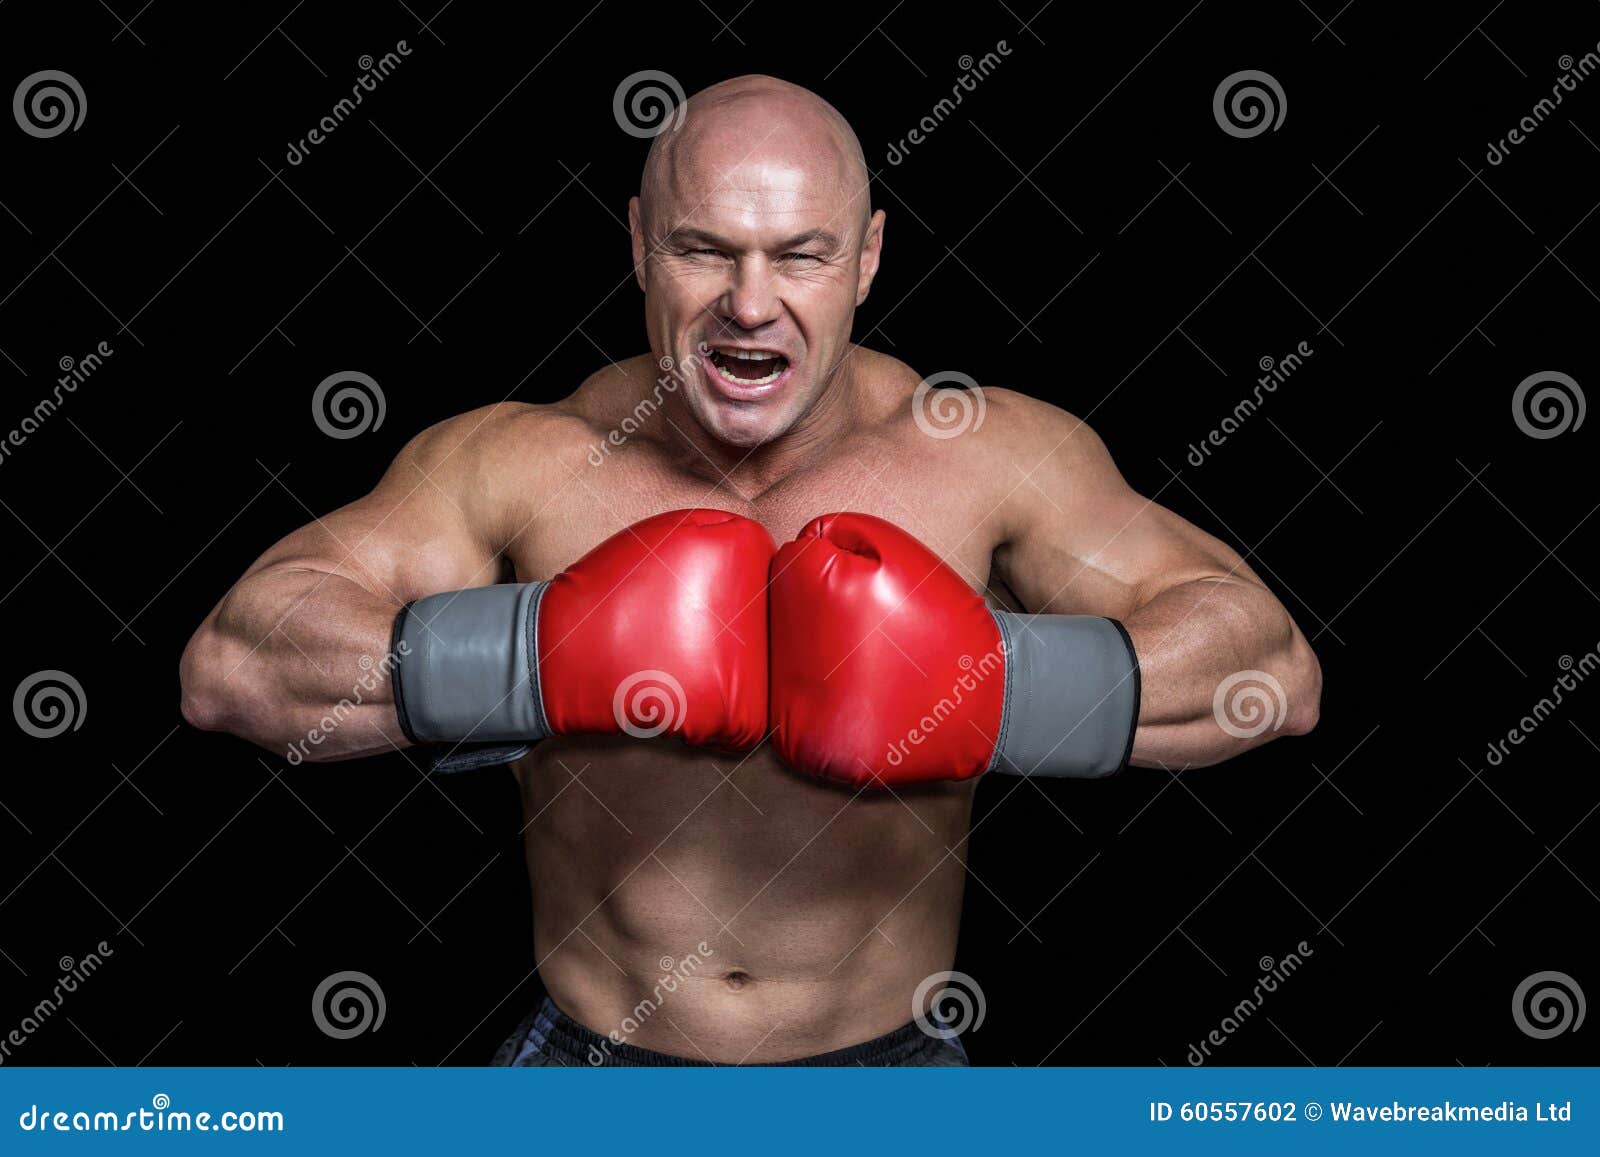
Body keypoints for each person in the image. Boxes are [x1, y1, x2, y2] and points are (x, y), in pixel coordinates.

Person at [180, 74, 1321, 1066]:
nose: (750, 301)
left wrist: (986, 678)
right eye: (703, 249)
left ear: (868, 256)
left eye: (802, 254)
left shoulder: (985, 454)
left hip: (896, 1067)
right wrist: (542, 651)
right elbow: (235, 665)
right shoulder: (524, 462)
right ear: (637, 242)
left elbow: (1266, 664)